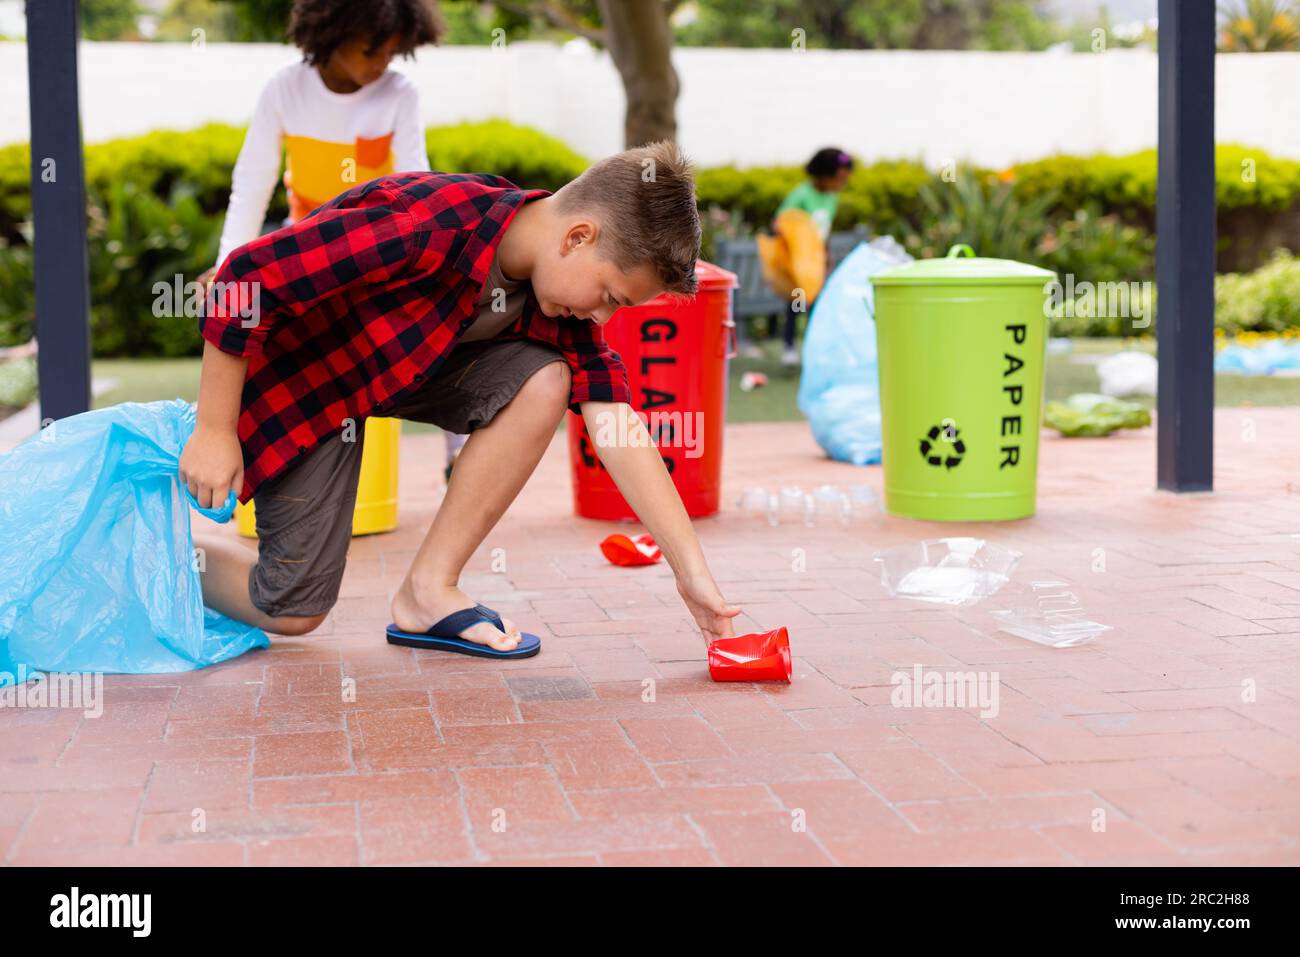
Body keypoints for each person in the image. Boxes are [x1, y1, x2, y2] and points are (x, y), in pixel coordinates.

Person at [180, 141, 742, 659]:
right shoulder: (424, 222)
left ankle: (427, 592)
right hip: (303, 386)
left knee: (548, 377)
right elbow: (244, 280)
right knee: (292, 609)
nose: (602, 317)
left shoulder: (557, 301)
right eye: (610, 297)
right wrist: (214, 429)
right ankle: (163, 555)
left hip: (396, 370)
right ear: (578, 237)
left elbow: (616, 423)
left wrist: (689, 571)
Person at [200, 0, 470, 482]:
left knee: (438, 328)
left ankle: (459, 451)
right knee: (247, 312)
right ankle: (249, 453)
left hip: (378, 246)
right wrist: (226, 264)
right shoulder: (285, 87)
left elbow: (417, 181)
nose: (382, 63)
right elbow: (254, 179)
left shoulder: (398, 93)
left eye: (392, 52)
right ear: (333, 33)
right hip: (305, 245)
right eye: (371, 51)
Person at [772, 147, 854, 367]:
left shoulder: (832, 197)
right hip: (797, 261)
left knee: (818, 304)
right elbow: (779, 223)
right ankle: (789, 347)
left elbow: (825, 229)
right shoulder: (802, 194)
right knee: (796, 303)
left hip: (816, 261)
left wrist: (826, 256)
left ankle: (814, 347)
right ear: (824, 175)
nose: (842, 185)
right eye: (839, 179)